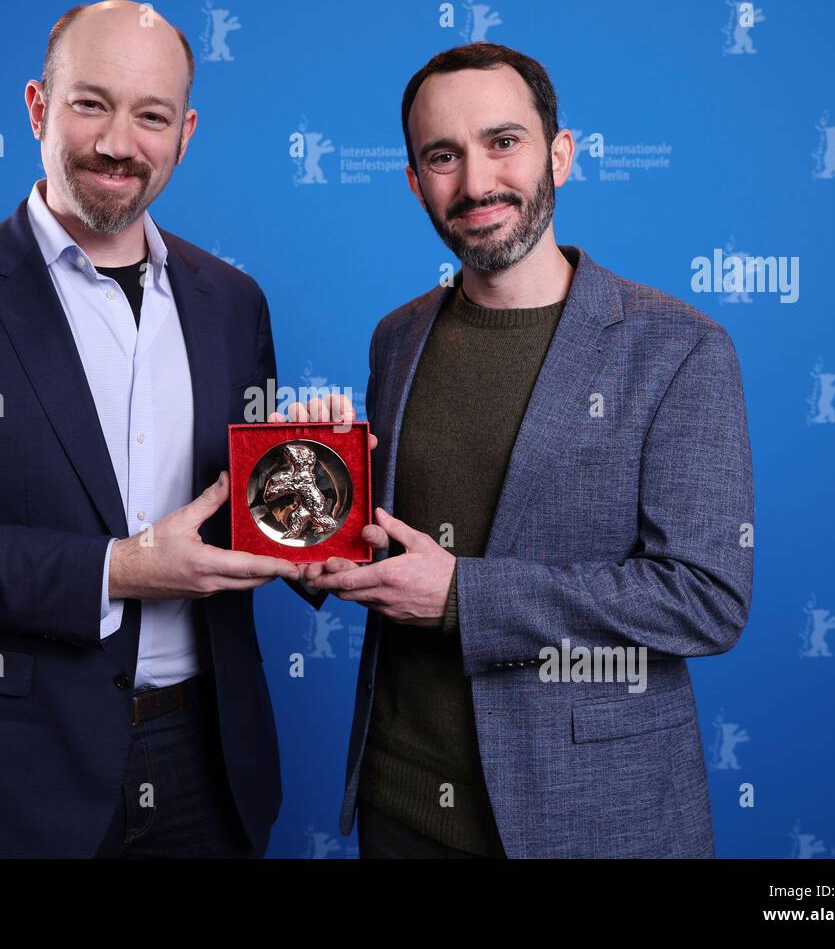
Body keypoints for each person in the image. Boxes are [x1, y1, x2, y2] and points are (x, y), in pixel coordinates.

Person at [0, 0, 307, 858]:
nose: (119, 143)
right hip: (5, 775)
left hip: (209, 762)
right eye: (91, 104)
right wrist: (120, 570)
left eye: (151, 115)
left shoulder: (234, 303)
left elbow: (245, 517)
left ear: (185, 132)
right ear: (37, 107)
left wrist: (314, 487)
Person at [297, 42, 755, 858]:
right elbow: (398, 543)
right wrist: (324, 534)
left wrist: (463, 599)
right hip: (400, 804)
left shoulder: (679, 347)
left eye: (502, 142)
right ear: (414, 182)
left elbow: (705, 597)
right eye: (443, 156)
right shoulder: (397, 338)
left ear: (561, 154)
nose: (476, 184)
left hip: (589, 818)